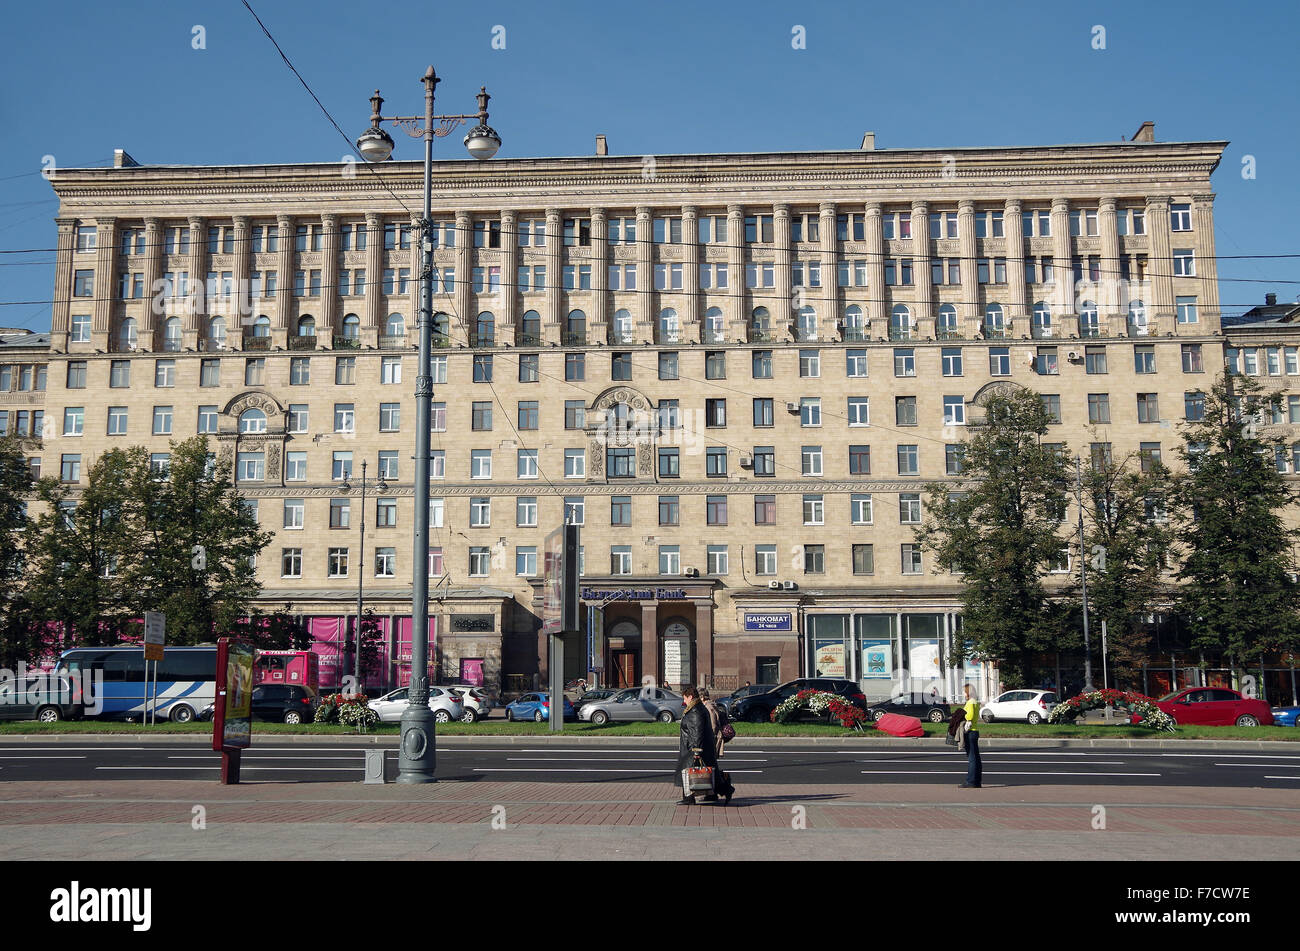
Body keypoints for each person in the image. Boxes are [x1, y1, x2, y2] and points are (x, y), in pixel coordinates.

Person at [675, 685, 718, 805]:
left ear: (690, 696)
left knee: (689, 772)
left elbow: (696, 731)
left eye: (685, 698)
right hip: (701, 747)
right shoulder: (698, 707)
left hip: (692, 747)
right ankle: (712, 794)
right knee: (708, 770)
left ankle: (688, 798)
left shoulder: (695, 711)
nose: (684, 701)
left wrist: (696, 751)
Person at [698, 687, 735, 804]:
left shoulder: (708, 707)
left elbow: (713, 726)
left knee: (710, 767)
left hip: (712, 741)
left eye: (697, 697)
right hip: (712, 741)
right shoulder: (709, 706)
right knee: (710, 768)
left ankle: (726, 788)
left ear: (702, 697)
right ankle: (713, 793)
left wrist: (706, 739)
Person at [960, 684, 982, 788]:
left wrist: (961, 714)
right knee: (976, 757)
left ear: (968, 692)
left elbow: (969, 716)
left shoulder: (970, 702)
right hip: (975, 730)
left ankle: (971, 781)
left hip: (970, 731)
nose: (964, 693)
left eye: (965, 691)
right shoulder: (976, 702)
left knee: (972, 758)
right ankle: (977, 781)